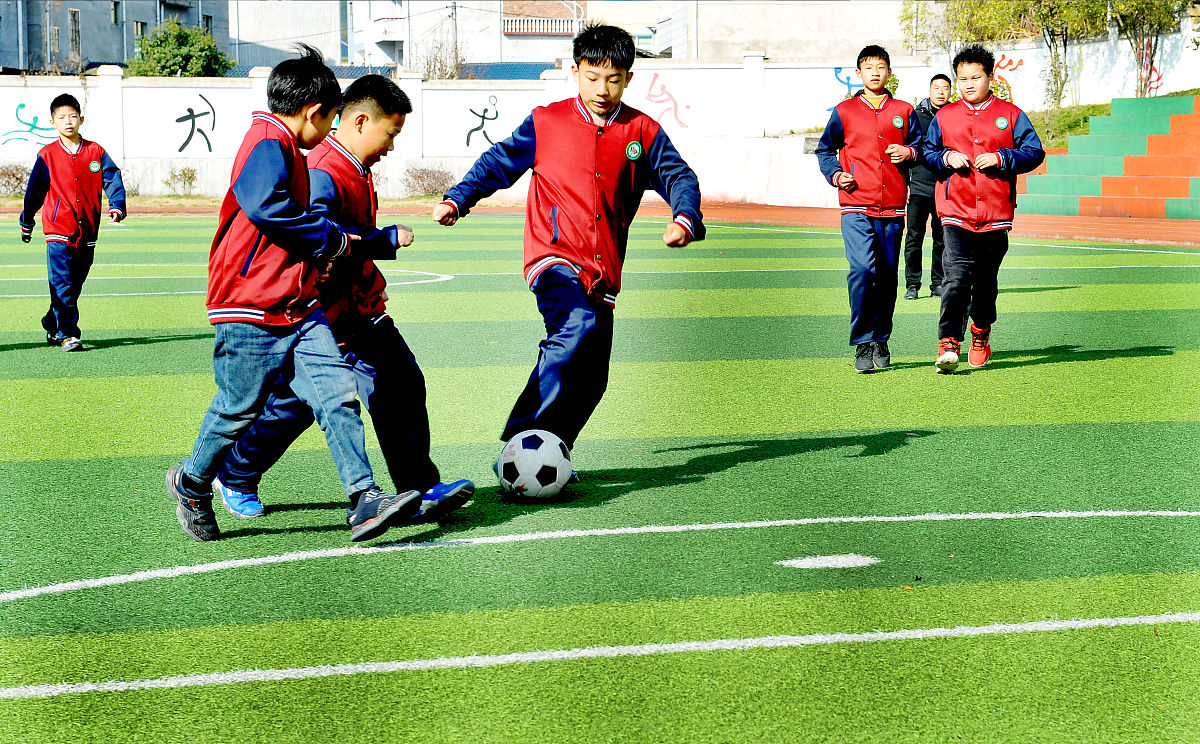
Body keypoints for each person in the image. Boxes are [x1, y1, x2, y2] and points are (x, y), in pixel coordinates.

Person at [166, 45, 420, 543]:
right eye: (329, 121)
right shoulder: (268, 140)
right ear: (313, 113)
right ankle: (193, 482)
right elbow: (266, 208)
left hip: (298, 307)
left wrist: (367, 242)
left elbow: (297, 220)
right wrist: (336, 239)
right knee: (238, 409)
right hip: (249, 304)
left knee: (338, 395)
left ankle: (364, 499)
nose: (329, 132)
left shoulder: (286, 148)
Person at [433, 23, 704, 482]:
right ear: (575, 72)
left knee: (593, 379)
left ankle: (553, 450)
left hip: (605, 271)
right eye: (593, 77)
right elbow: (497, 163)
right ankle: (521, 440)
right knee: (573, 325)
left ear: (628, 79)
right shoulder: (546, 121)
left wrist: (684, 217)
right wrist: (458, 198)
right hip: (552, 258)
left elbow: (681, 178)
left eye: (614, 79)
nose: (603, 88)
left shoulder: (643, 131)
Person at [211, 74, 474, 522]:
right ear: (358, 120)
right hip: (326, 316)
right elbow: (316, 234)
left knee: (401, 384)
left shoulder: (354, 167)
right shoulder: (323, 170)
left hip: (362, 310)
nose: (391, 146)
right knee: (293, 408)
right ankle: (235, 472)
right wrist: (379, 241)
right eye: (390, 134)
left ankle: (420, 488)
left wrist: (370, 262)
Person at [921, 44, 1044, 374]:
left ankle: (980, 333)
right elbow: (927, 153)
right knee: (956, 278)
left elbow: (1034, 152)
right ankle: (949, 341)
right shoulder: (944, 116)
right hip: (954, 211)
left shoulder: (1012, 114)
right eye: (962, 79)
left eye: (976, 78)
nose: (968, 85)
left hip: (995, 215)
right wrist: (946, 157)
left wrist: (1004, 158)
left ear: (991, 77)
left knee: (986, 283)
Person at [816, 45, 922, 373]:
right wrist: (836, 174)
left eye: (881, 67)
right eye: (868, 67)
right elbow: (824, 150)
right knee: (862, 270)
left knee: (888, 277)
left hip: (892, 208)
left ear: (889, 72)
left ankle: (881, 337)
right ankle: (862, 341)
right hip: (855, 206)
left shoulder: (904, 110)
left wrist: (908, 152)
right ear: (858, 74)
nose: (875, 72)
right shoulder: (844, 111)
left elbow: (923, 147)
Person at [19, 93, 126, 352]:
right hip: (58, 230)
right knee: (62, 283)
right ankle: (68, 334)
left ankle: (52, 321)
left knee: (75, 282)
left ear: (81, 119)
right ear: (52, 122)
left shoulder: (95, 151)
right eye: (61, 118)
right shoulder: (47, 155)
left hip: (88, 230)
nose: (68, 122)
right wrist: (27, 221)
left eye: (72, 116)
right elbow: (34, 191)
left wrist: (117, 204)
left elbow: (112, 178)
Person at [902, 74, 952, 300]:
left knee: (942, 239)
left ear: (950, 91)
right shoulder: (915, 116)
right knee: (914, 238)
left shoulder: (954, 116)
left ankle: (938, 285)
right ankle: (912, 285)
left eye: (945, 88)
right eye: (937, 87)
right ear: (929, 90)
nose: (941, 92)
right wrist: (906, 184)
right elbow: (905, 152)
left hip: (944, 188)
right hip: (918, 188)